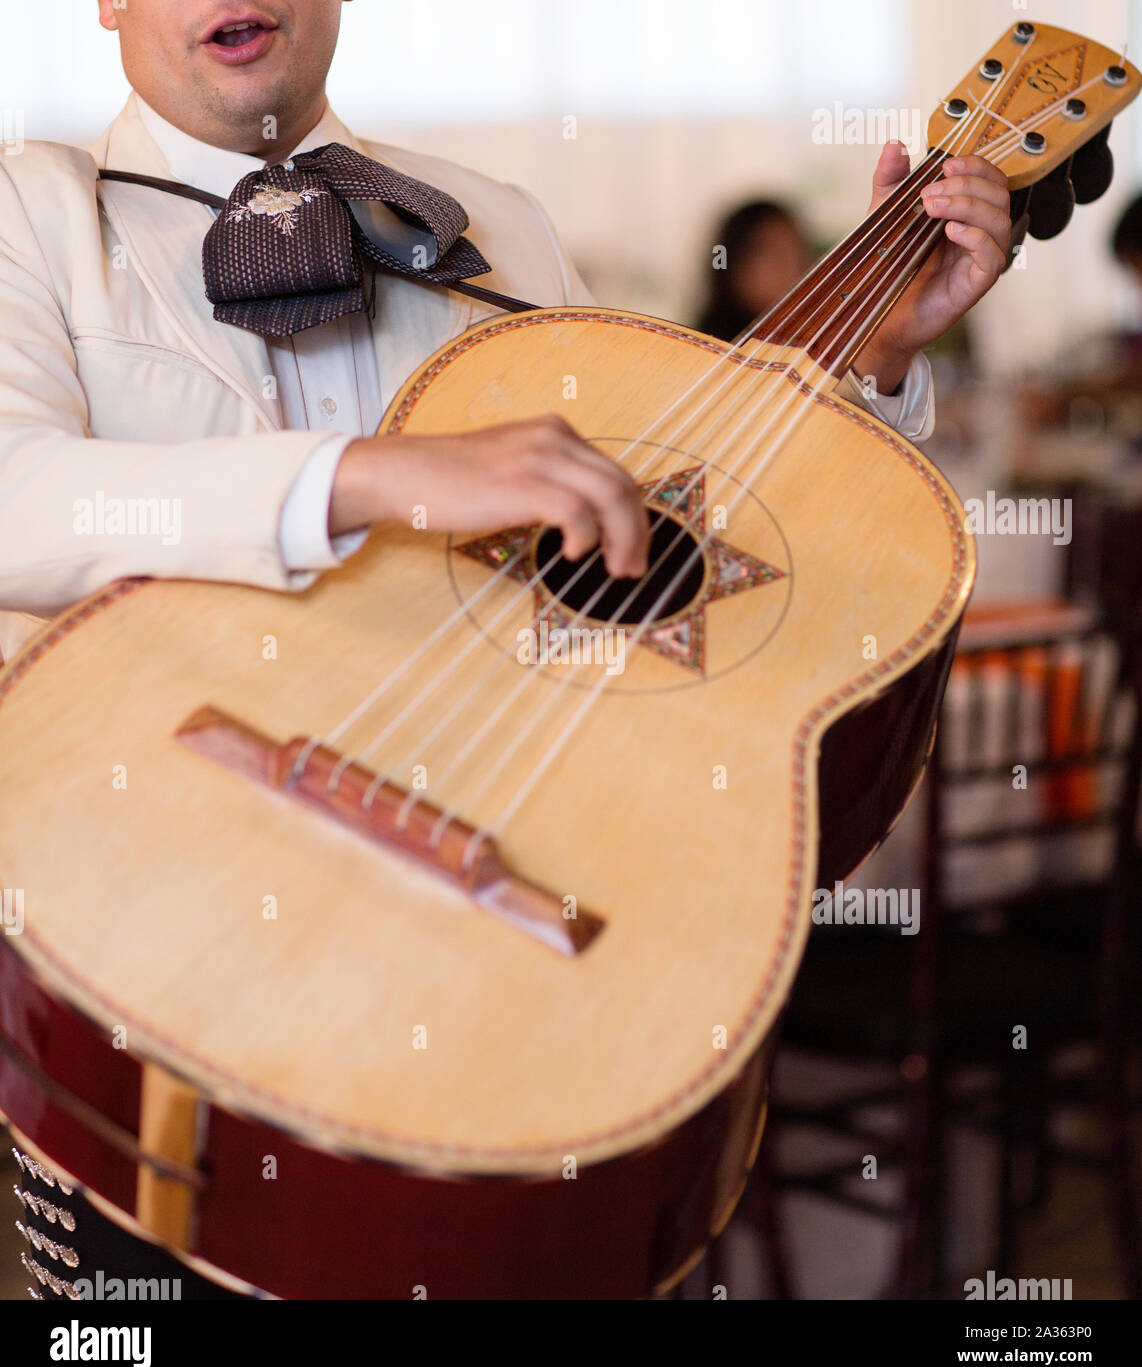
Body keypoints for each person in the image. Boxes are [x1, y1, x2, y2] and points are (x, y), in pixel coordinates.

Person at [1, 0, 1013, 1298]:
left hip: (494, 970)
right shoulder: (31, 211)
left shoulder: (498, 224)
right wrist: (369, 475)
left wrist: (860, 356)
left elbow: (662, 542)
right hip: (144, 947)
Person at [695, 199, 813, 343]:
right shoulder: (702, 348)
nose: (792, 268)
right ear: (735, 264)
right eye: (775, 255)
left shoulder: (810, 340)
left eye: (798, 254)